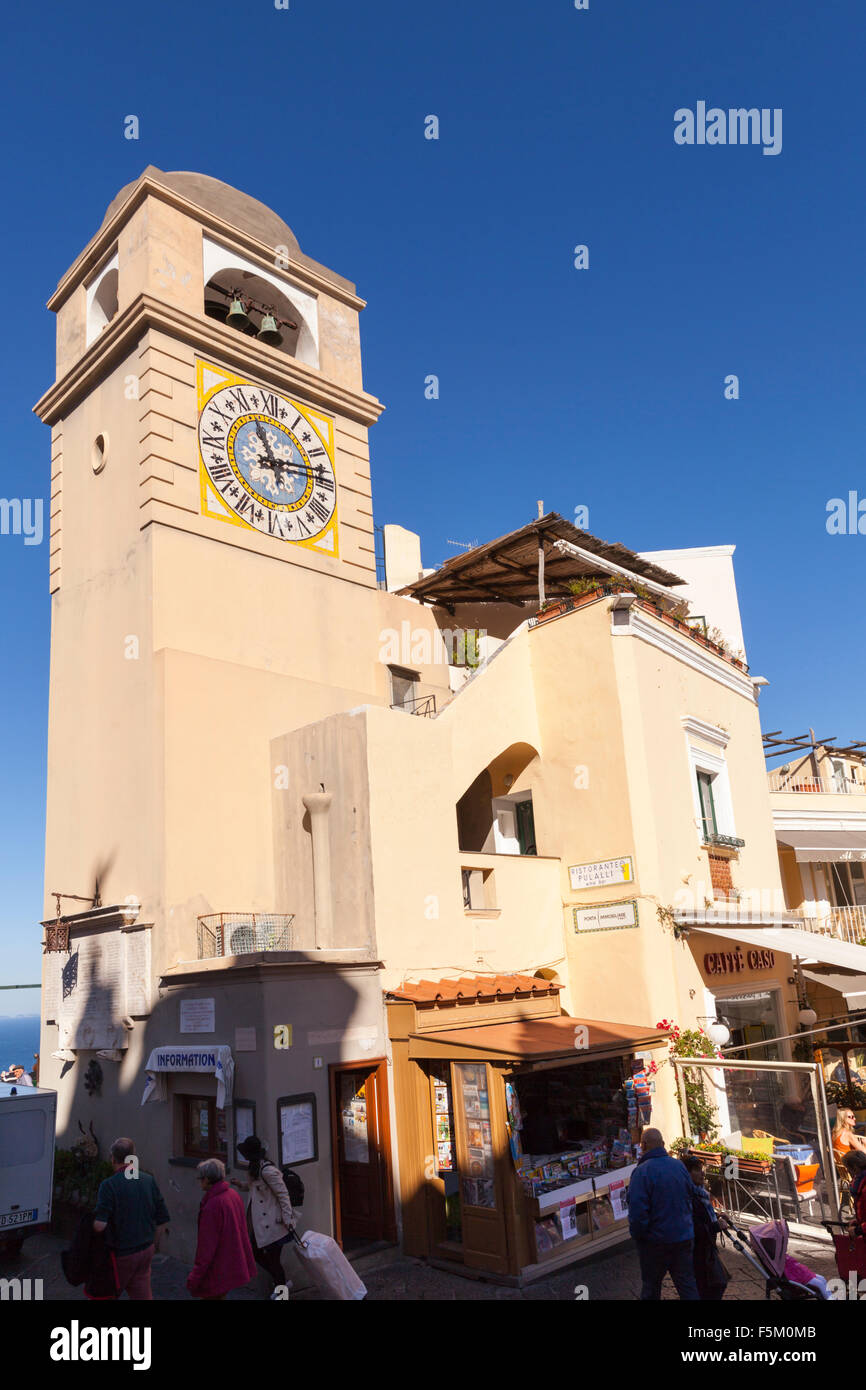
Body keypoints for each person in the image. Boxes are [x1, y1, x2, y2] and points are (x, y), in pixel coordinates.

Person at [93, 1137, 170, 1301]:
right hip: (145, 1251)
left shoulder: (109, 1185)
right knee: (142, 1295)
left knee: (103, 1295)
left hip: (121, 1254)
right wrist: (153, 1245)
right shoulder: (148, 1180)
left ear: (112, 1158)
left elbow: (100, 1225)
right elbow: (162, 1218)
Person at [627, 1128, 700, 1300]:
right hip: (683, 1236)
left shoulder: (641, 1172)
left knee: (651, 1288)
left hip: (655, 1241)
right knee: (687, 1286)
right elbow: (691, 1195)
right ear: (663, 1144)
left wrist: (639, 1236)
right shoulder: (679, 1166)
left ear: (643, 1145)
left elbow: (638, 1213)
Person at [187, 1158, 257, 1301]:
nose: (199, 1182)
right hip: (230, 1263)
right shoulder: (233, 1195)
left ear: (207, 1179)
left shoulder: (212, 1206)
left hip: (217, 1269)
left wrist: (195, 1277)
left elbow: (206, 1247)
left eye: (200, 1178)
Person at [236, 1135, 295, 1297]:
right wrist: (240, 1185)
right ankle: (281, 1283)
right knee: (260, 1254)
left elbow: (283, 1194)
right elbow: (254, 1188)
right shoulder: (255, 1168)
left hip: (274, 1223)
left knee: (273, 1260)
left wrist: (287, 1218)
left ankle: (282, 1291)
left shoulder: (268, 1171)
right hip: (261, 1223)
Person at [681, 1156, 729, 1300]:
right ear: (687, 1174)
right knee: (709, 1287)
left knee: (716, 1284)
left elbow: (703, 1215)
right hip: (696, 1253)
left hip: (706, 1249)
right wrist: (715, 1226)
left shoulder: (700, 1193)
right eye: (697, 1170)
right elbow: (693, 1226)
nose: (702, 1173)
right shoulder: (688, 1196)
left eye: (701, 1170)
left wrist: (716, 1215)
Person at [844, 1149, 866, 1232]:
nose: (847, 1171)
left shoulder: (863, 1186)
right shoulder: (860, 1182)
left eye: (848, 1168)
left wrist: (859, 1230)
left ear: (855, 1168)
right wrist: (858, 1222)